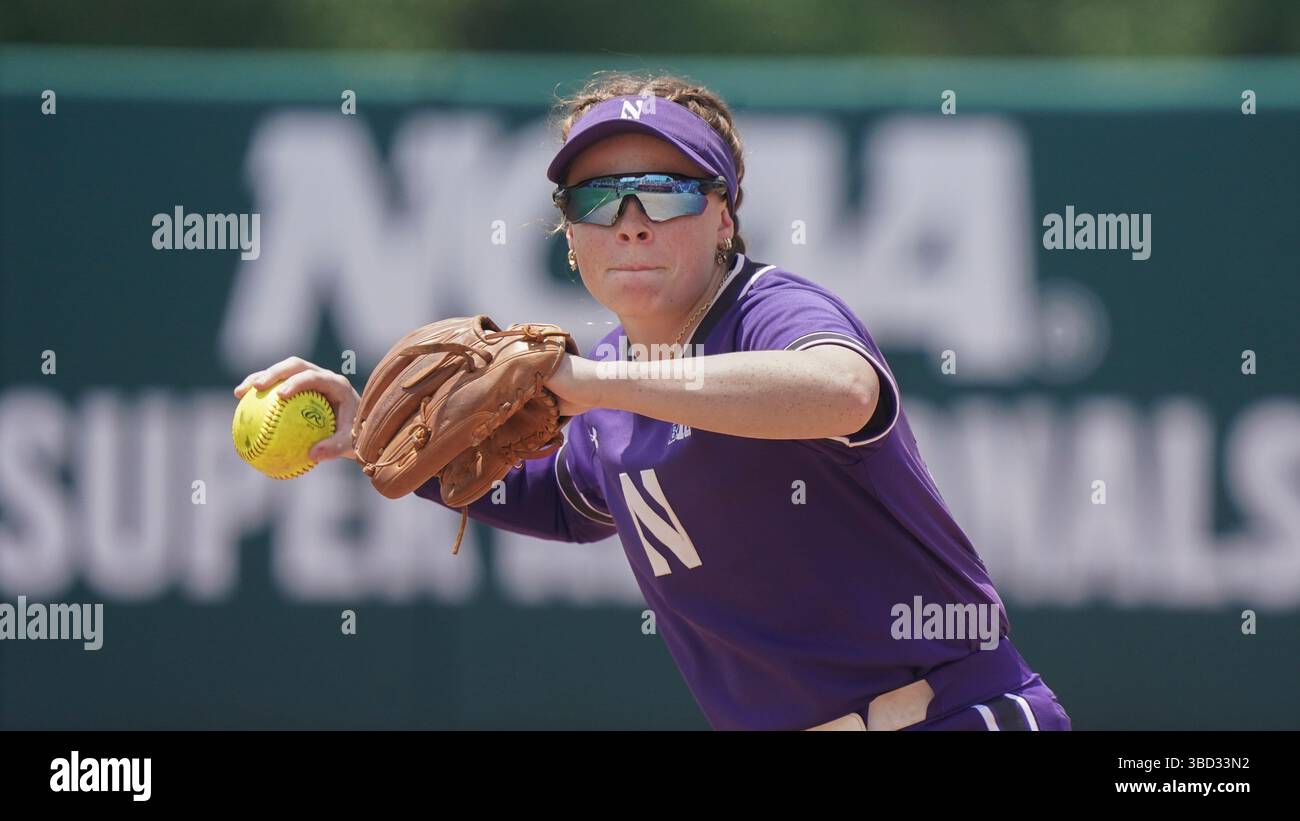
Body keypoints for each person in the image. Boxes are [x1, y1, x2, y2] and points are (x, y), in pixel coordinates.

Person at [234, 72, 1071, 731]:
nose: (630, 222)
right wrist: (376, 443)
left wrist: (595, 387)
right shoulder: (609, 371)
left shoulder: (770, 310)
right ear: (569, 233)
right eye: (598, 198)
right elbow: (569, 503)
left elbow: (843, 390)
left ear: (723, 217)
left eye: (665, 191)